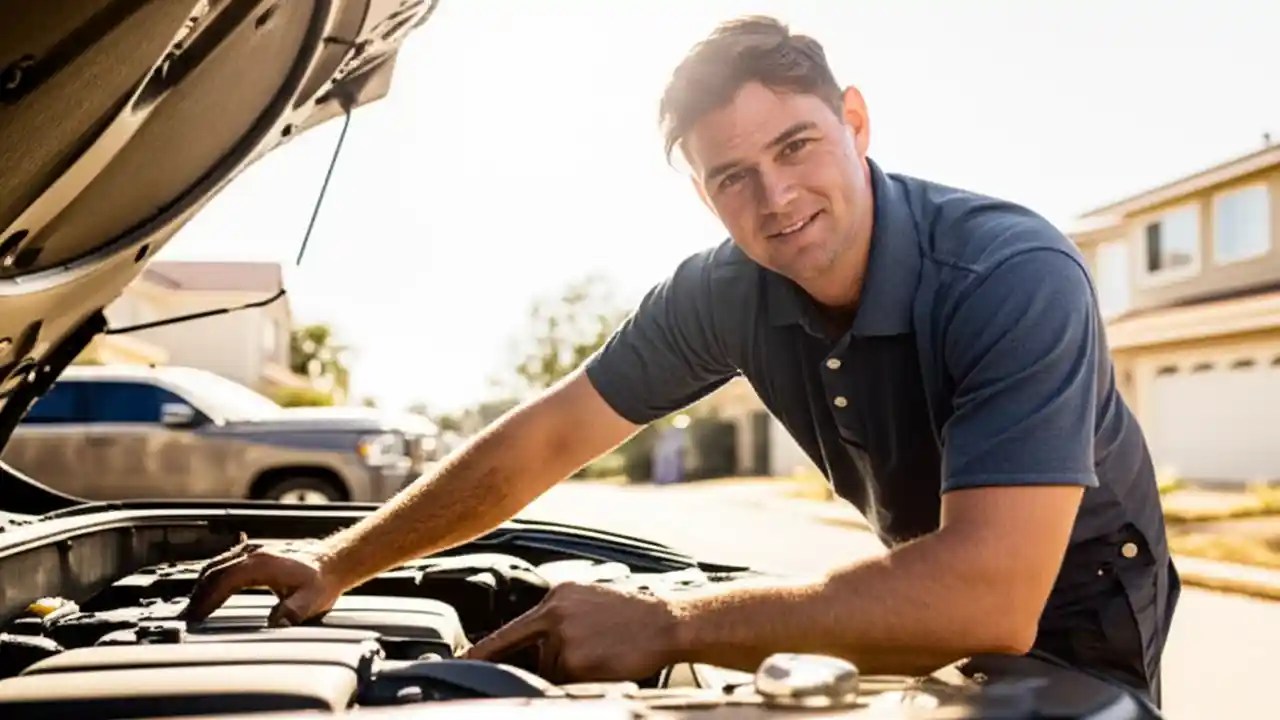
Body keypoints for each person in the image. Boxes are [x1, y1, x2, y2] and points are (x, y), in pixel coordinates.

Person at [184, 15, 1179, 708]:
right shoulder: (723, 290)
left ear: (857, 123)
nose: (775, 196)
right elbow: (546, 436)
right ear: (704, 196)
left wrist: (668, 624)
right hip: (920, 582)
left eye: (796, 147)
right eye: (732, 177)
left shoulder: (1005, 274)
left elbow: (988, 598)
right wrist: (337, 560)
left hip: (1072, 613)